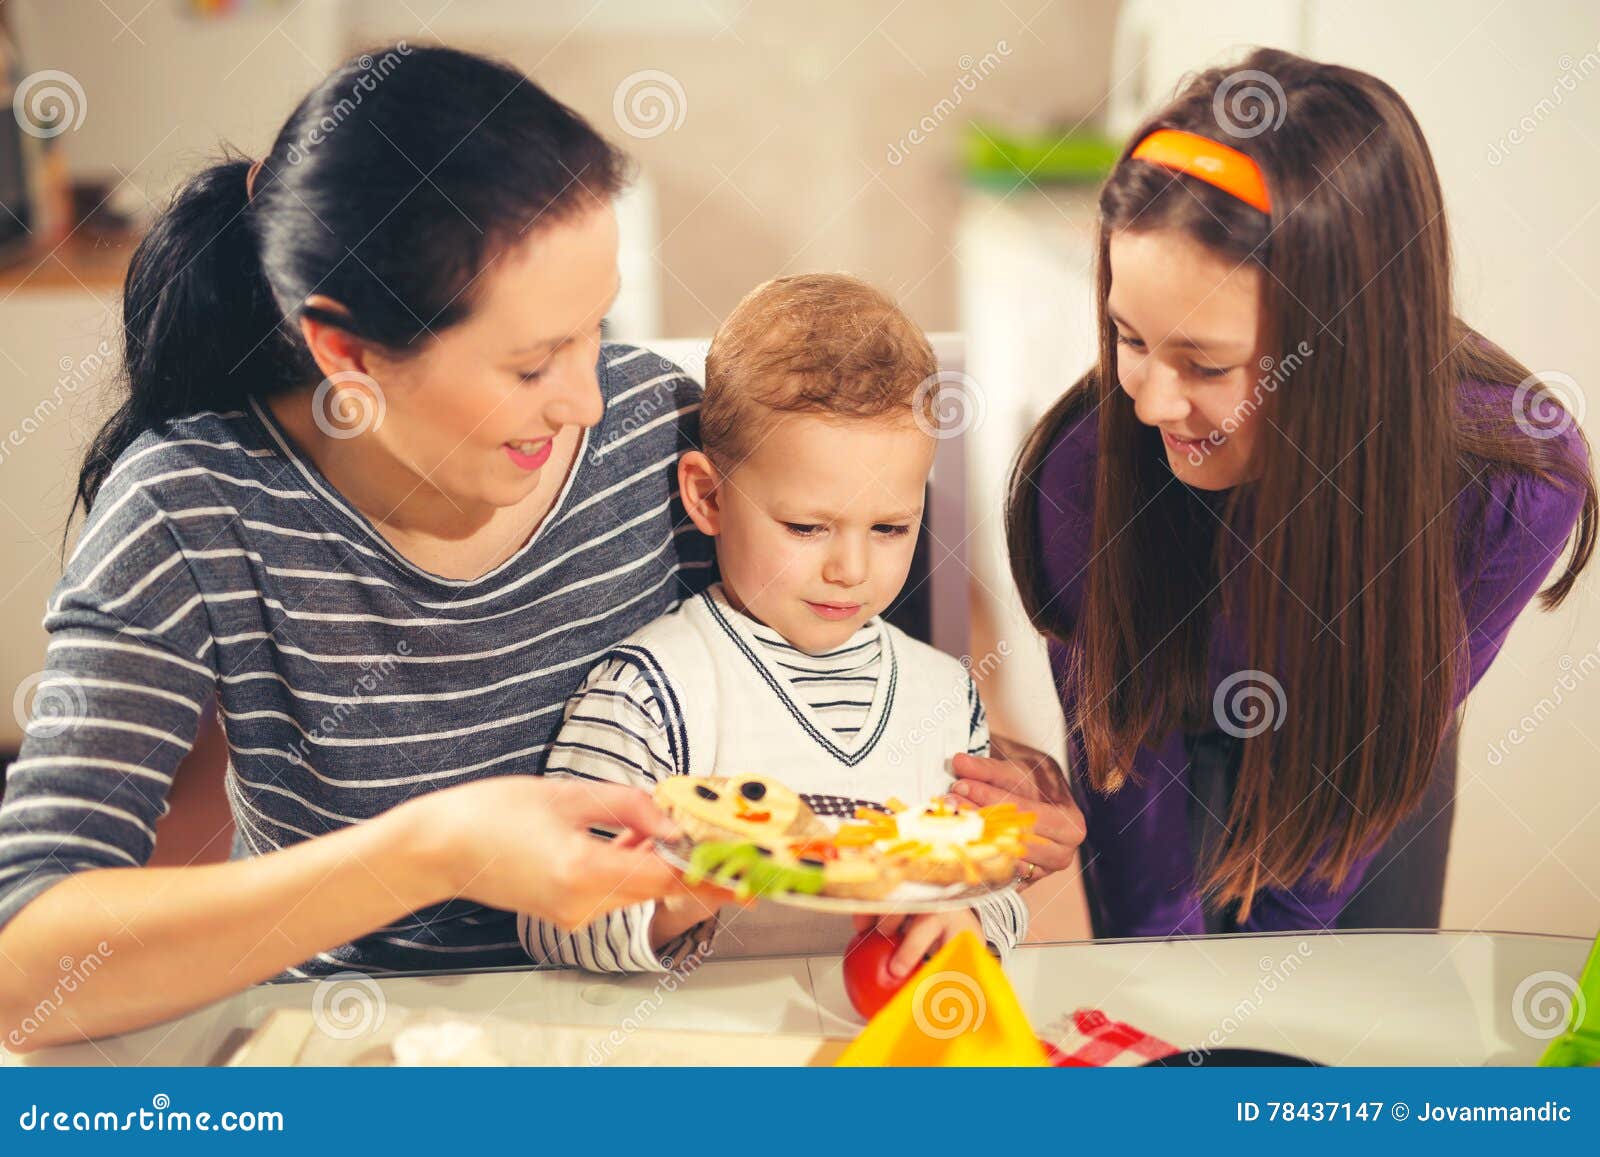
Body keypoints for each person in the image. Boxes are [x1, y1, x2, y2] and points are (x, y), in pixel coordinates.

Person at [0, 44, 727, 1051]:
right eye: (531, 365)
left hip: (664, 1028)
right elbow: (28, 967)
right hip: (351, 1047)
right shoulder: (193, 507)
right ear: (345, 351)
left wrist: (930, 821)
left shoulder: (659, 435)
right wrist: (432, 852)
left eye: (594, 328)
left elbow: (833, 689)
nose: (588, 400)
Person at [1006, 48, 1596, 938]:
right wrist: (1171, 986)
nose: (1150, 404)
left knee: (1349, 1008)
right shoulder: (1086, 470)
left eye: (1206, 364)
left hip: (1366, 749)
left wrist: (1266, 976)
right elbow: (1128, 782)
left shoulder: (1510, 487)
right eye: (1129, 338)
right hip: (1166, 748)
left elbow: (1362, 779)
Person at [521, 274, 1028, 978]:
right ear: (708, 497)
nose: (850, 568)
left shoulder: (946, 693)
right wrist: (685, 894)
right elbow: (549, 914)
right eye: (807, 527)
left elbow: (994, 877)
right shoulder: (645, 694)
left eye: (889, 527)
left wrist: (972, 918)